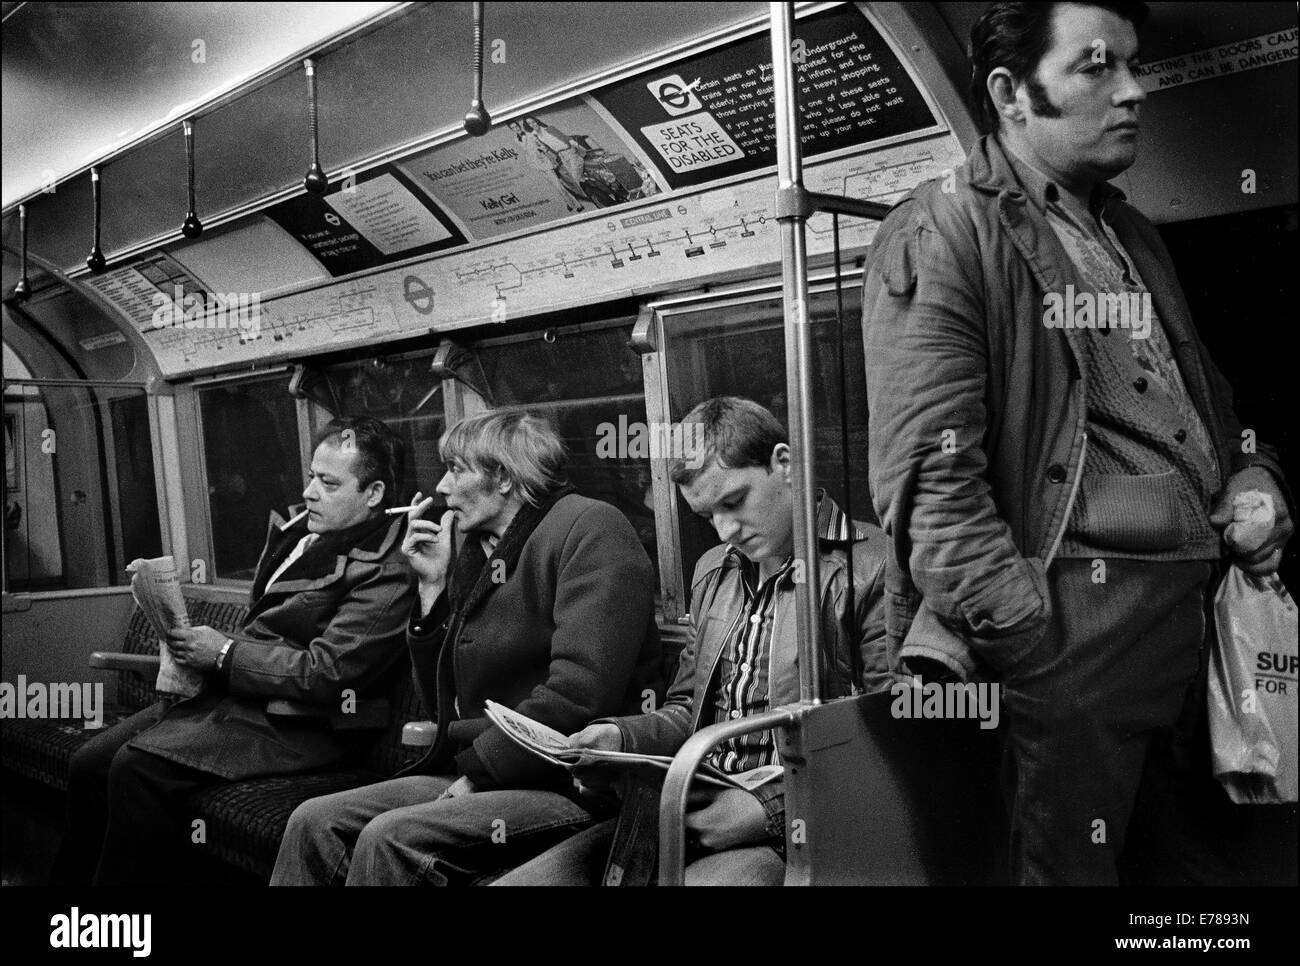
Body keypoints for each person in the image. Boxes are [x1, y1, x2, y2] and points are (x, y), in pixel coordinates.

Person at [860, 1, 1292, 885]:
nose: (1134, 91)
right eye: (1097, 66)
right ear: (1010, 93)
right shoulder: (946, 229)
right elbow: (929, 483)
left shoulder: (1128, 232)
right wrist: (1035, 647)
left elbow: (1211, 405)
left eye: (1132, 64)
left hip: (1198, 618)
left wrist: (1256, 473)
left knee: (1207, 896)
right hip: (1075, 633)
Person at [494, 397, 892, 886]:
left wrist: (771, 809)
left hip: (802, 820)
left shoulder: (872, 568)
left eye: (733, 502)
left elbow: (888, 740)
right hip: (699, 794)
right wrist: (620, 738)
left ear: (784, 464)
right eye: (707, 516)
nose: (726, 530)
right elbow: (690, 707)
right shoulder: (713, 571)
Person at [271, 407, 663, 885]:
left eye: (456, 470)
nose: (442, 487)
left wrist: (478, 774)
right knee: (313, 820)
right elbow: (443, 700)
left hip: (576, 781)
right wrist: (432, 590)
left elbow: (580, 694)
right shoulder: (477, 546)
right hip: (488, 765)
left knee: (389, 836)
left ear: (504, 478)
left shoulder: (590, 528)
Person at [53, 416, 414, 885]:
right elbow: (268, 631)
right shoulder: (303, 539)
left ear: (374, 493)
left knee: (137, 768)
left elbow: (327, 672)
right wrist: (205, 647)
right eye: (311, 476)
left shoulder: (388, 570)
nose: (309, 493)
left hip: (304, 722)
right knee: (88, 764)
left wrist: (223, 653)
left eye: (328, 483)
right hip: (242, 701)